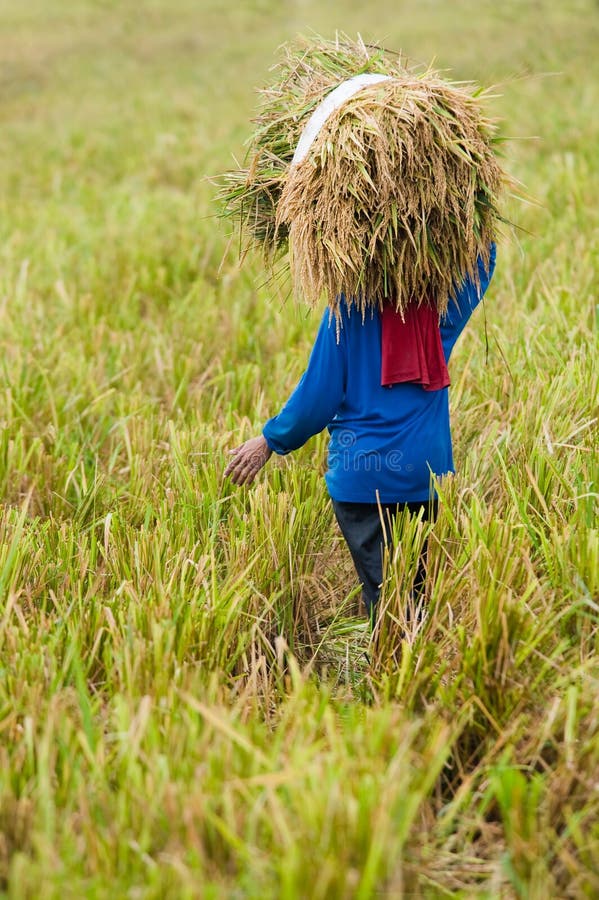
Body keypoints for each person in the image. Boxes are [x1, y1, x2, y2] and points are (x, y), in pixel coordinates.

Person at [224, 245, 496, 621]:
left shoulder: (347, 310)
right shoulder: (437, 313)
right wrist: (463, 208)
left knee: (385, 603)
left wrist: (270, 440)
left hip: (362, 478)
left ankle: (390, 671)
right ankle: (409, 671)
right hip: (423, 476)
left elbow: (317, 395)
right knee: (413, 600)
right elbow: (481, 262)